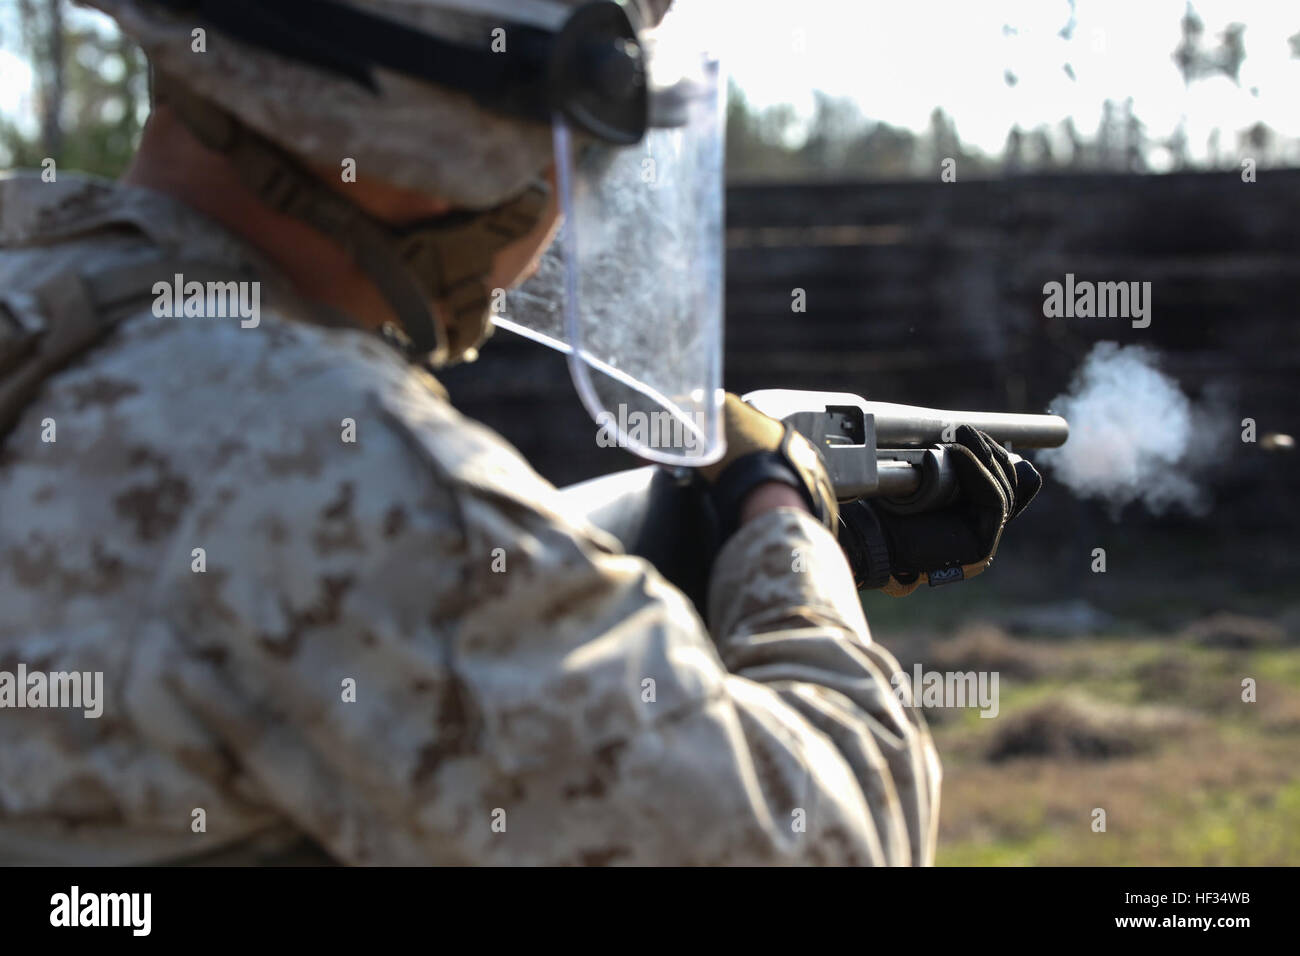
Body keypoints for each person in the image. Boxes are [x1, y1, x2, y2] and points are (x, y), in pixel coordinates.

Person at [0, 0, 1037, 865]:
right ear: (455, 137)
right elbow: (828, 839)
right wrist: (779, 513)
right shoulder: (318, 464)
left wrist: (685, 569)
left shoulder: (49, 299)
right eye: (576, 148)